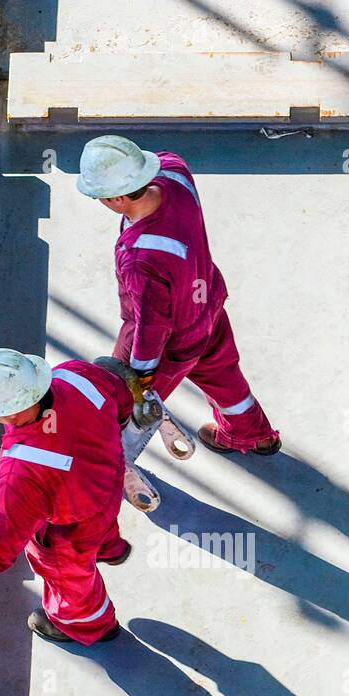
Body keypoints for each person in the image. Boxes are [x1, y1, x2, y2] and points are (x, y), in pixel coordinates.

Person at [77, 133, 281, 456]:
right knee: (224, 378)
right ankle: (254, 435)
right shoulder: (174, 172)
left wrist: (142, 376)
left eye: (99, 195)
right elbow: (164, 159)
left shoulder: (140, 258)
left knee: (122, 404)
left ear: (117, 199)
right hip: (207, 305)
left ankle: (107, 462)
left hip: (175, 342)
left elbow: (152, 325)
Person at [0, 349, 135, 644]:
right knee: (101, 526)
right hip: (107, 484)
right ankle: (110, 547)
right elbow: (121, 401)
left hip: (70, 527)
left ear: (8, 412)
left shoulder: (24, 474)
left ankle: (88, 626)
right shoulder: (77, 374)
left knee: (69, 582)